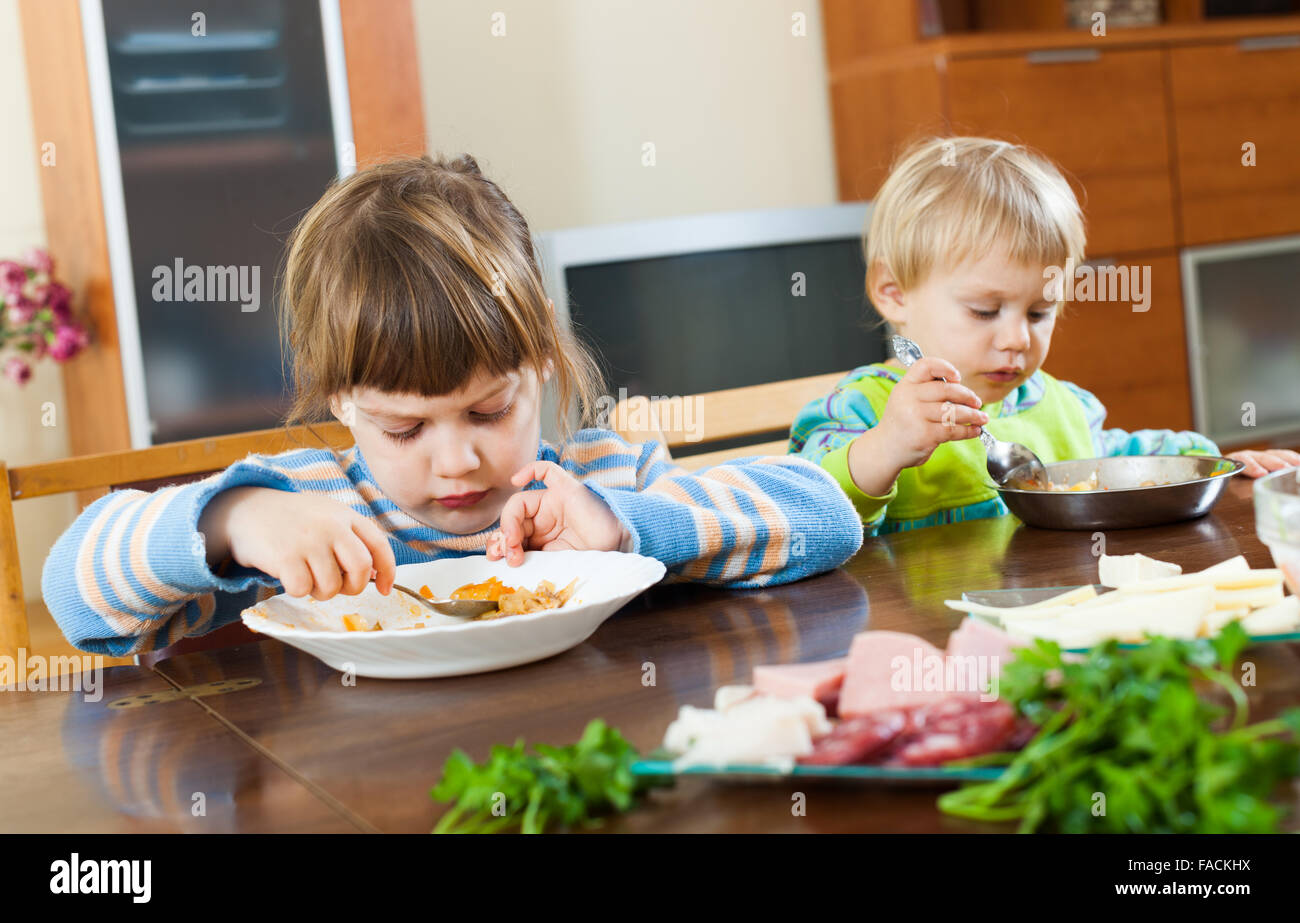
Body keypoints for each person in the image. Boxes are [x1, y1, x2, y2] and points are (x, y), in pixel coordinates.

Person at [43, 154, 863, 656]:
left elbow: (826, 514)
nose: (457, 460)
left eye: (487, 411)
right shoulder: (304, 510)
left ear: (541, 364)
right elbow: (74, 595)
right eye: (403, 427)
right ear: (342, 400)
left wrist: (627, 530)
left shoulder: (602, 479)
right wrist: (233, 523)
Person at [790, 137, 1299, 535]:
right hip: (921, 646)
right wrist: (887, 446)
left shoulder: (1063, 408)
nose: (1016, 338)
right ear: (894, 292)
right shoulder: (859, 409)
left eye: (1039, 312)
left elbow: (1123, 464)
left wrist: (1218, 464)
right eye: (985, 311)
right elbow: (804, 513)